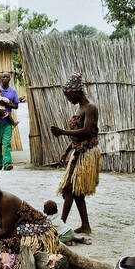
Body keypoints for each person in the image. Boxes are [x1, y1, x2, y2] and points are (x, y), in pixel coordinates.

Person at [50, 72, 99, 235]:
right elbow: (76, 136)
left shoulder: (90, 108)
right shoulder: (80, 108)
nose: (68, 99)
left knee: (71, 189)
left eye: (69, 96)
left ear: (77, 92)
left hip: (87, 152)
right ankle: (85, 225)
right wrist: (66, 152)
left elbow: (85, 131)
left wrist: (62, 132)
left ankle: (61, 223)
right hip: (78, 151)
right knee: (75, 190)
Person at [0, 72, 22, 171]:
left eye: (7, 77)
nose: (5, 79)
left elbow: (16, 106)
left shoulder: (13, 92)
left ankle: (7, 163)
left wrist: (6, 105)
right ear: (1, 78)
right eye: (3, 77)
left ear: (10, 79)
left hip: (7, 122)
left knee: (7, 143)